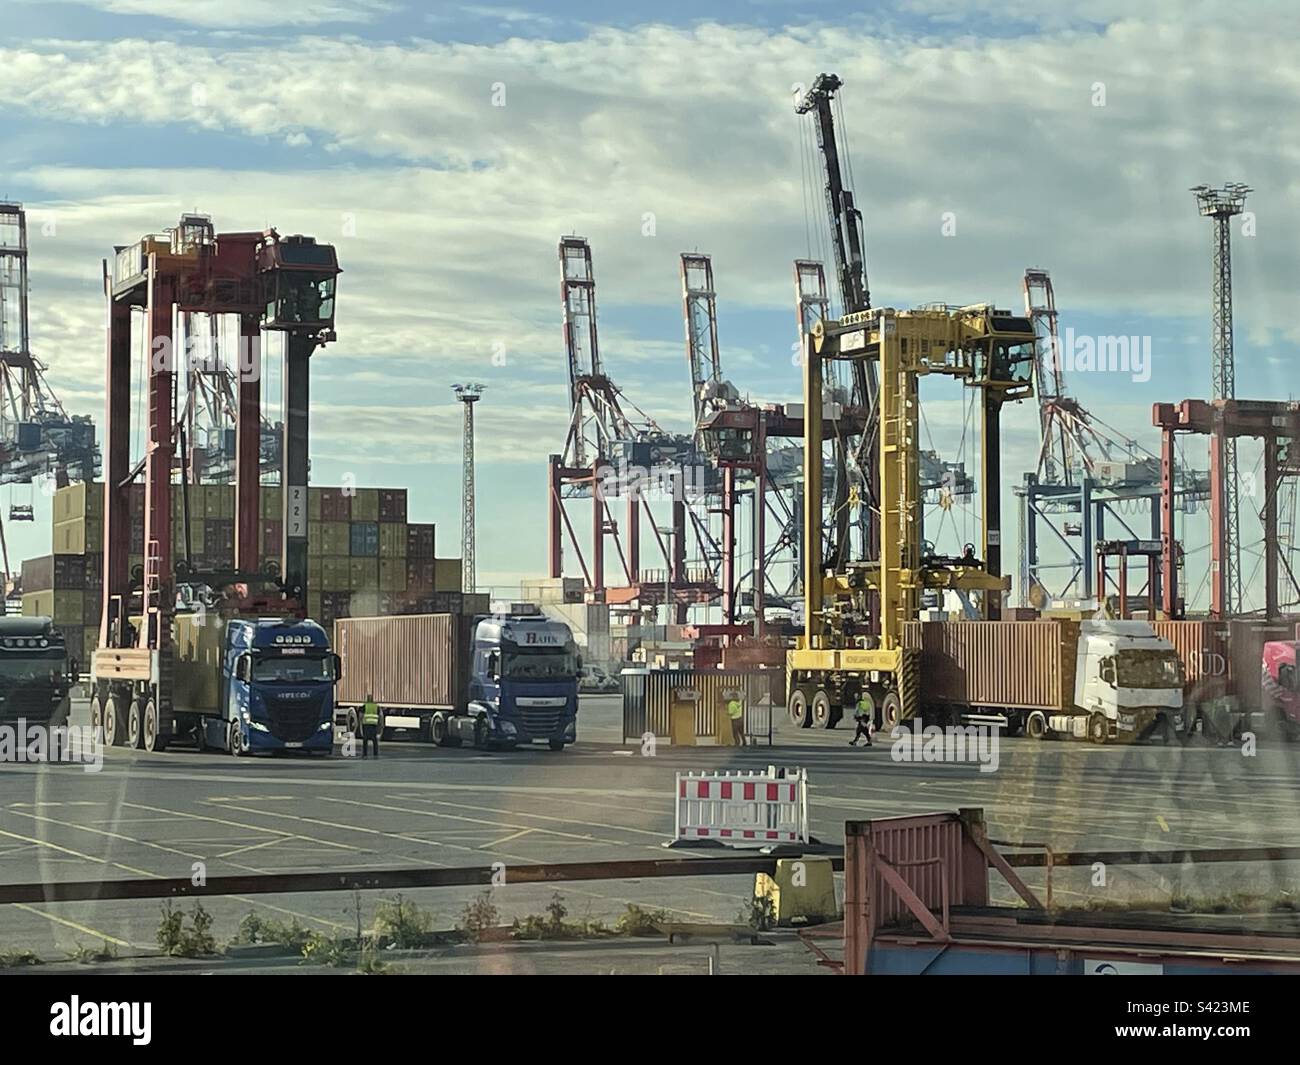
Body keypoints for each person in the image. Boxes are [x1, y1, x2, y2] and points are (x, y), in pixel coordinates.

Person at [361, 693, 380, 758]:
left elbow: (361, 715)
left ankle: (365, 754)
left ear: (367, 699)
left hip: (366, 725)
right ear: (372, 700)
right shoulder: (376, 706)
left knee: (365, 740)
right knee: (374, 740)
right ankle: (375, 754)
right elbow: (380, 716)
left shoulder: (364, 706)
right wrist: (380, 725)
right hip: (374, 725)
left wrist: (360, 723)